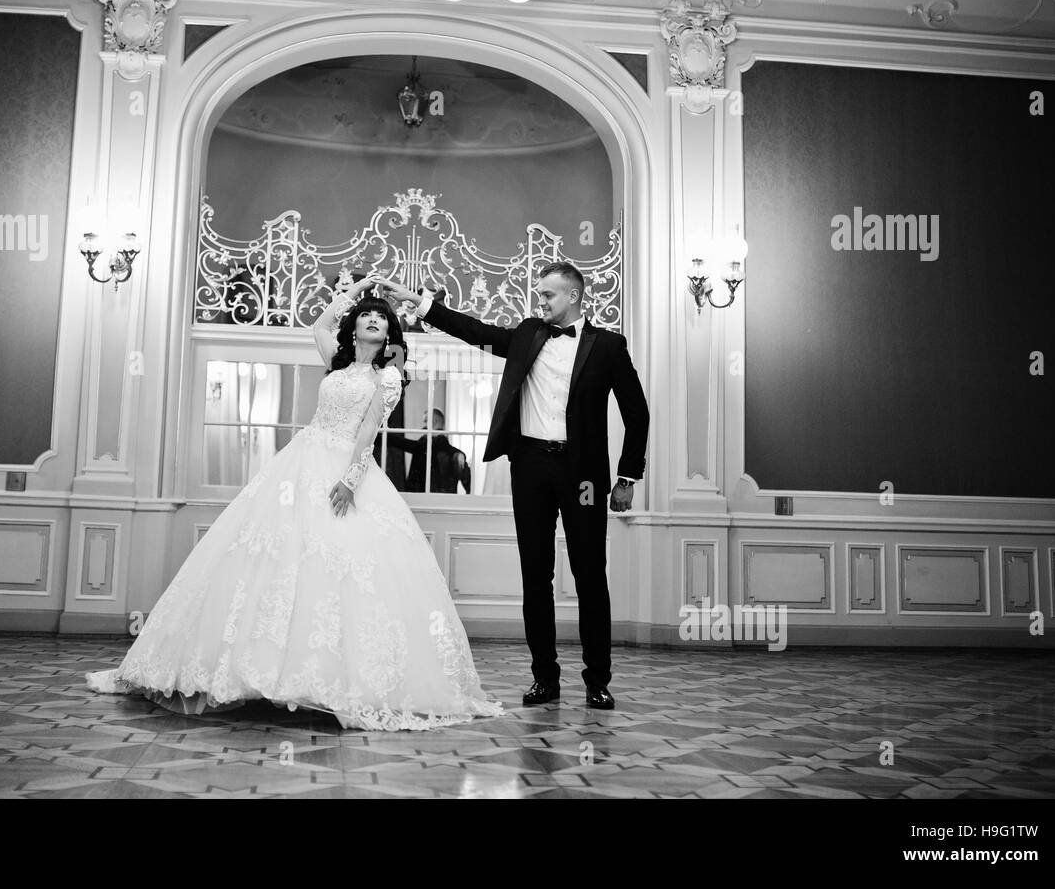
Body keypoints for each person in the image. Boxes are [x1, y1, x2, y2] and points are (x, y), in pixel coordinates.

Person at [86, 274, 503, 731]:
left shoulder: (386, 377)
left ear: (390, 335)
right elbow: (319, 325)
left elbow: (367, 432)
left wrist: (350, 480)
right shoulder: (335, 362)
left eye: (380, 318)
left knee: (335, 565)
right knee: (271, 556)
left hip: (345, 465)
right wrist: (359, 288)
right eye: (366, 314)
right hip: (302, 460)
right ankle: (248, 669)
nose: (370, 319)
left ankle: (320, 677)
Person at [377, 263, 649, 710]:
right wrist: (419, 302)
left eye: (548, 295)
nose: (539, 301)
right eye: (539, 294)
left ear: (575, 296)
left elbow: (637, 413)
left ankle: (598, 680)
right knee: (535, 576)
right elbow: (473, 330)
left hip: (583, 476)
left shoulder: (610, 347)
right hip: (531, 468)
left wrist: (627, 477)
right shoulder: (527, 335)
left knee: (590, 576)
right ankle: (545, 678)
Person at [394, 409, 472, 494]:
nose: (423, 425)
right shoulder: (456, 454)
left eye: (426, 421)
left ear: (434, 421)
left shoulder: (422, 447)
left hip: (421, 502)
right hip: (448, 503)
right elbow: (469, 488)